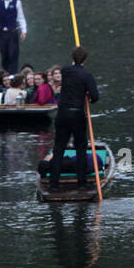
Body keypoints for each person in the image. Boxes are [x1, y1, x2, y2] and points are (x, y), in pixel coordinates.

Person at [48, 46, 99, 190]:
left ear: (72, 58)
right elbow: (95, 97)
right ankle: (81, 184)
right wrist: (88, 94)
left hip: (63, 114)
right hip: (77, 114)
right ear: (85, 60)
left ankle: (53, 184)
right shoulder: (86, 75)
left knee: (59, 149)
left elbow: (72, 69)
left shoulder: (65, 70)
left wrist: (76, 62)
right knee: (81, 149)